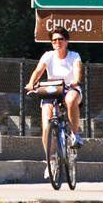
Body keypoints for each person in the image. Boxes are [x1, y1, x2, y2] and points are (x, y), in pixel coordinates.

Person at [24, 26, 84, 178]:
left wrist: (75, 81)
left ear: (66, 41)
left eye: (60, 39)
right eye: (54, 40)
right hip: (51, 90)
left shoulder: (74, 56)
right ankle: (51, 160)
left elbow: (77, 71)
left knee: (71, 100)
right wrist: (31, 83)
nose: (57, 42)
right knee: (46, 128)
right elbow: (38, 71)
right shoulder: (48, 56)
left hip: (69, 89)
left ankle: (74, 134)